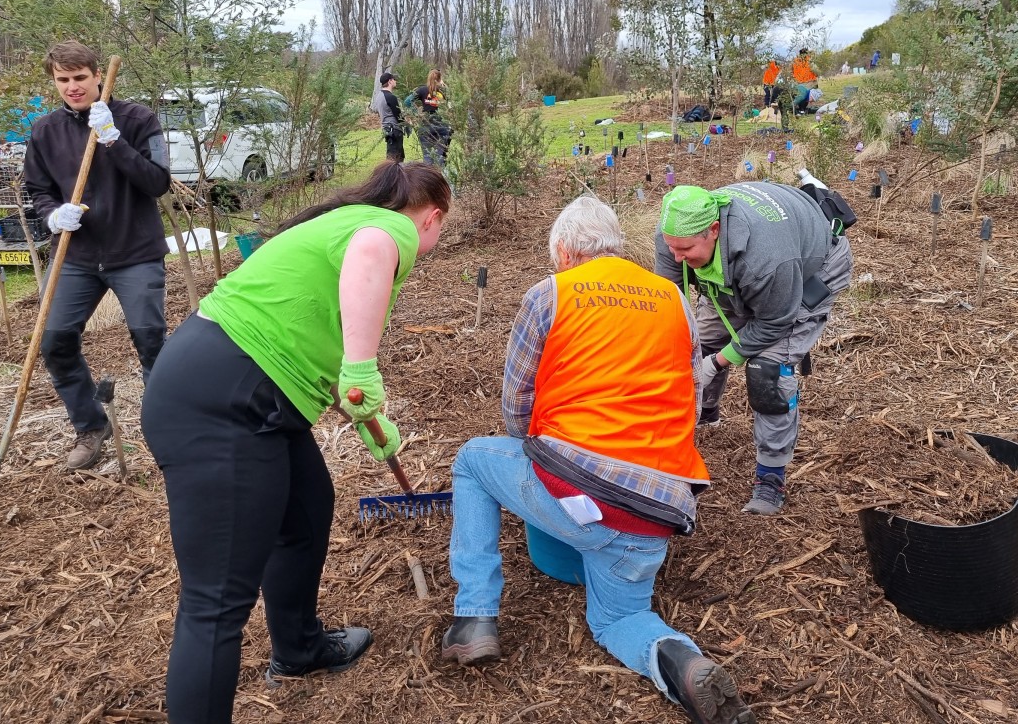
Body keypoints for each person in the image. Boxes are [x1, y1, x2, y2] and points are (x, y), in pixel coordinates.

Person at [140, 161, 450, 724]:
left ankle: (298, 649)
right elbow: (371, 254)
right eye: (438, 230)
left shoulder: (342, 223)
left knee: (307, 509)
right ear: (432, 218)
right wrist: (362, 366)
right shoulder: (388, 228)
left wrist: (362, 415)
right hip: (220, 399)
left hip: (237, 384)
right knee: (216, 603)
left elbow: (311, 333)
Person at [443, 196, 755, 724]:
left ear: (563, 251)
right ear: (616, 247)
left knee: (473, 460)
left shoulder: (551, 294)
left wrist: (534, 460)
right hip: (656, 510)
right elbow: (693, 399)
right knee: (619, 619)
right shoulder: (674, 299)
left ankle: (474, 616)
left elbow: (517, 404)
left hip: (574, 491)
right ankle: (682, 661)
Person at [654, 182, 853, 516]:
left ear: (713, 230)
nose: (677, 257)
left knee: (767, 371)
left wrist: (715, 363)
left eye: (684, 250)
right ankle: (705, 412)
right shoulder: (675, 233)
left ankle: (770, 478)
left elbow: (775, 321)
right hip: (736, 275)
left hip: (808, 271)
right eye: (672, 248)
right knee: (694, 345)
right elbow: (670, 300)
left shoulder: (767, 259)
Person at [23, 40, 171, 470]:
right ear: (54, 81)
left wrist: (113, 140)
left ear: (97, 76)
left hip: (135, 251)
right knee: (55, 342)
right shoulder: (45, 131)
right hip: (77, 256)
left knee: (151, 343)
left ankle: (168, 430)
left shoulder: (138, 120)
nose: (72, 87)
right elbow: (38, 190)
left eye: (80, 78)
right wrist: (52, 216)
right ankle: (90, 427)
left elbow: (157, 182)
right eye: (63, 80)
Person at [411, 68, 452, 167]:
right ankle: (440, 178)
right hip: (442, 125)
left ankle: (427, 179)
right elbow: (451, 106)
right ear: (440, 79)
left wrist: (417, 113)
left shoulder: (422, 90)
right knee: (440, 156)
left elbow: (408, 101)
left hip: (426, 125)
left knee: (427, 156)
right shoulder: (444, 90)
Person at [376, 72, 408, 162]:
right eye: (394, 79)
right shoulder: (391, 97)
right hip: (394, 129)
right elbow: (398, 115)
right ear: (390, 81)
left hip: (387, 129)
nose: (395, 81)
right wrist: (406, 124)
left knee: (393, 154)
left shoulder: (379, 96)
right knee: (395, 158)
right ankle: (392, 175)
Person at [791, 49, 818, 115]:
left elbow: (792, 71)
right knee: (806, 97)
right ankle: (802, 109)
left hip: (798, 82)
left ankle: (801, 109)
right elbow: (816, 71)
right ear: (807, 53)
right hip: (809, 82)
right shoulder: (809, 61)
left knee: (800, 96)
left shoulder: (795, 61)